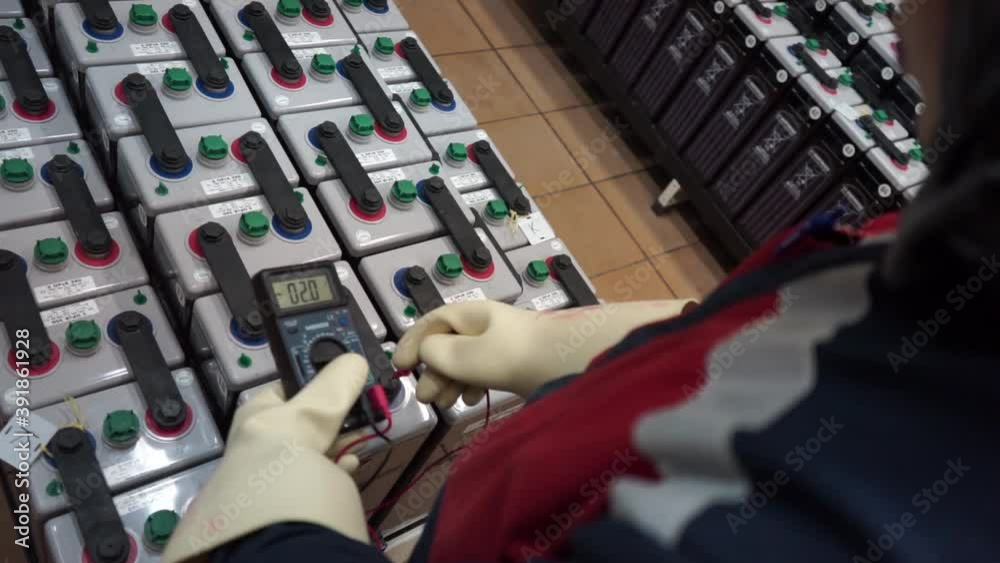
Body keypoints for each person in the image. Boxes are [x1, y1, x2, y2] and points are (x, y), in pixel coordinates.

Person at [163, 2, 997, 561]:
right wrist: (557, 342)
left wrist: (277, 535)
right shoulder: (957, 252)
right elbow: (781, 320)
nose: (893, 25)